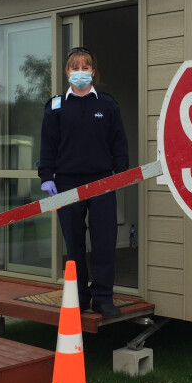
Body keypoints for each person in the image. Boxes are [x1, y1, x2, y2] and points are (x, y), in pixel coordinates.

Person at [38, 47, 129, 319]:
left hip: (101, 183)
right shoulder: (55, 106)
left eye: (85, 67)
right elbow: (48, 145)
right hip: (66, 184)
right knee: (74, 243)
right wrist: (46, 177)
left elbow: (119, 143)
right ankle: (79, 296)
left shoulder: (108, 105)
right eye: (75, 68)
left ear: (93, 71)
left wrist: (120, 174)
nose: (80, 72)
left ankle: (103, 298)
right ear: (67, 72)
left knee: (103, 241)